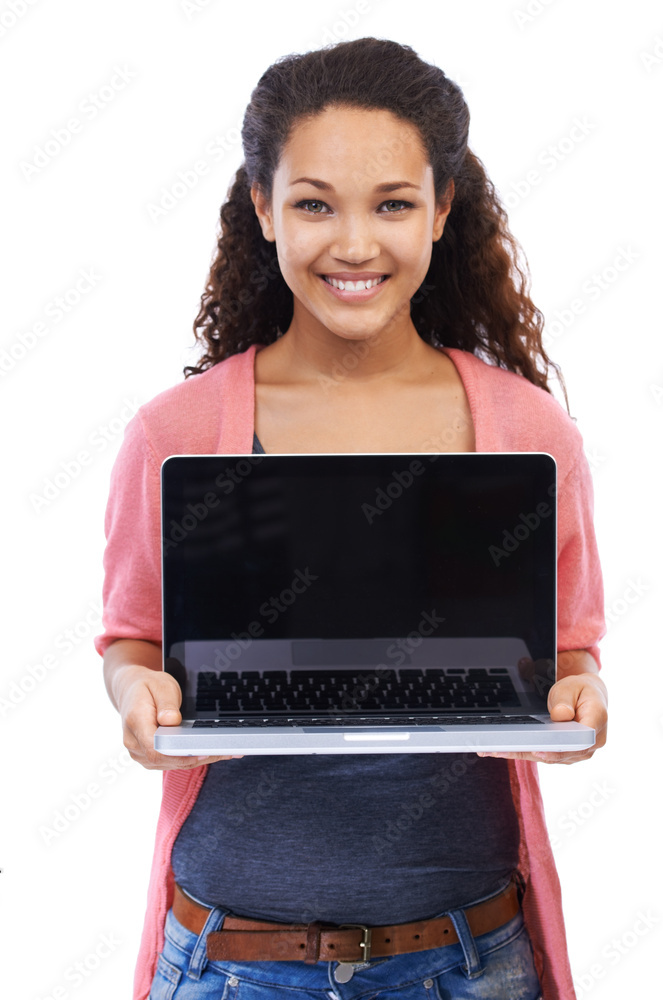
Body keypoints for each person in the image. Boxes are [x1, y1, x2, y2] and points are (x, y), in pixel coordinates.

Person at [96, 37, 607, 1000]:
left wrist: (576, 698)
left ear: (443, 210)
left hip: (467, 963)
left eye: (394, 204)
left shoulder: (526, 431)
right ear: (262, 208)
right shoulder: (178, 431)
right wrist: (137, 694)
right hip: (229, 963)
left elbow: (568, 650)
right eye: (314, 204)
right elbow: (132, 636)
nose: (355, 244)